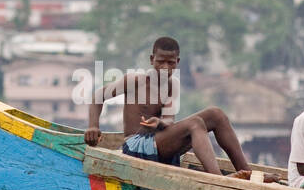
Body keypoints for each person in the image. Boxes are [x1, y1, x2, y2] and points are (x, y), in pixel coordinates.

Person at [84, 36, 259, 177]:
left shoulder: (171, 86)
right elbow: (98, 96)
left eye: (171, 63)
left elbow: (168, 120)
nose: (165, 68)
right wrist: (93, 126)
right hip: (134, 146)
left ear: (177, 62)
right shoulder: (134, 81)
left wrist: (158, 124)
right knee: (195, 123)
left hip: (159, 143)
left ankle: (248, 174)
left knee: (216, 114)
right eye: (160, 62)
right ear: (152, 60)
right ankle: (218, 180)